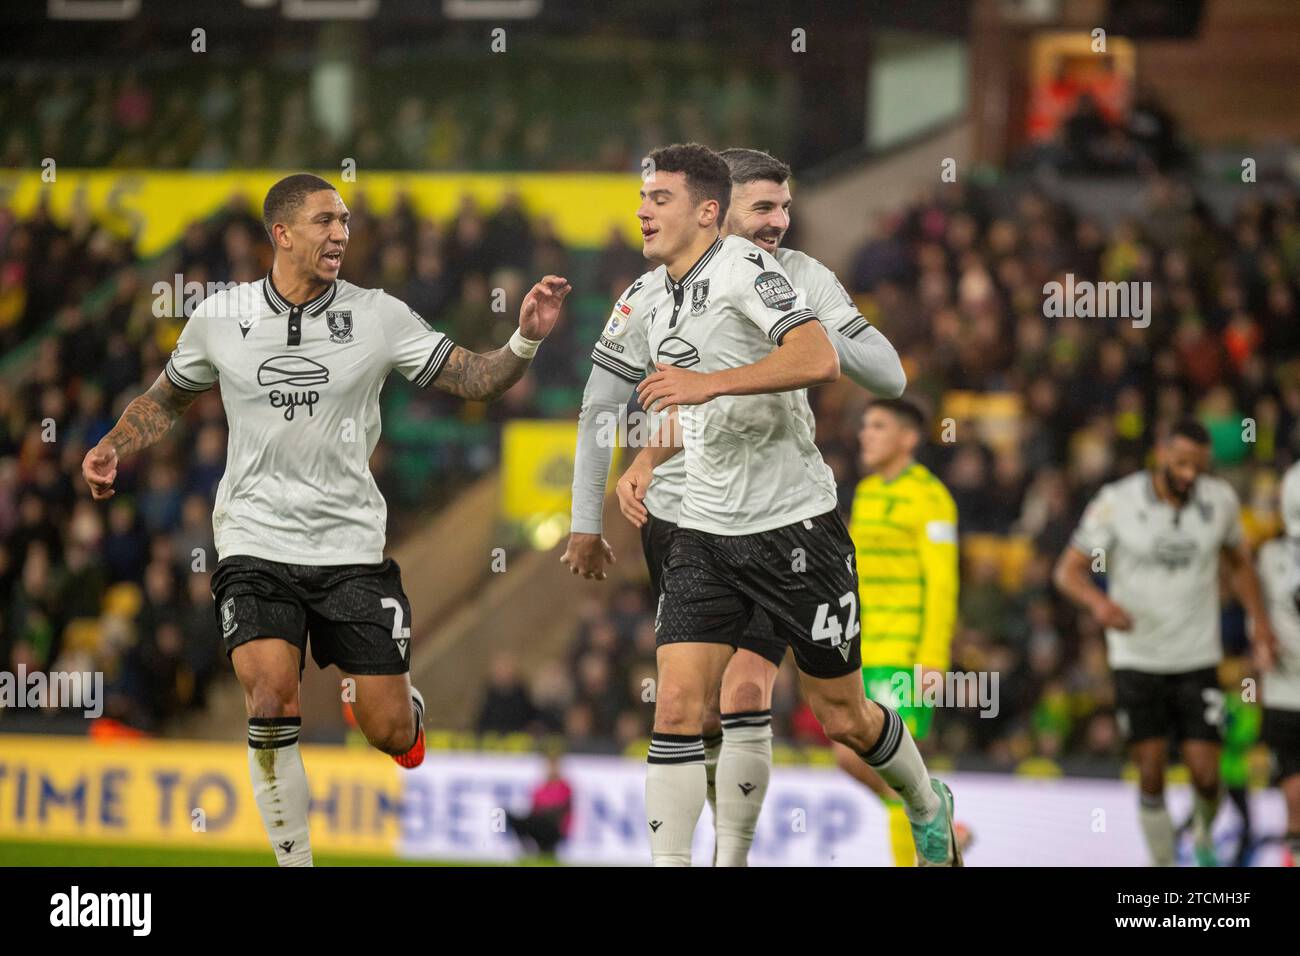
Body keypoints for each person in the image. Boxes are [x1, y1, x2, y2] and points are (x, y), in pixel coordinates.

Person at [81, 173, 570, 866]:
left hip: (349, 548)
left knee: (386, 729)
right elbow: (165, 398)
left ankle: (406, 716)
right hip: (252, 539)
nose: (340, 232)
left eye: (343, 220)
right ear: (280, 233)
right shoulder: (220, 318)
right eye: (323, 221)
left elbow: (473, 378)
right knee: (271, 696)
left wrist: (522, 340)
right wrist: (112, 445)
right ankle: (295, 860)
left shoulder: (379, 316)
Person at [602, 142, 959, 866]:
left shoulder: (800, 277)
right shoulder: (668, 286)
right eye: (764, 207)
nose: (780, 222)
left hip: (792, 525)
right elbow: (681, 399)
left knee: (840, 715)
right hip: (698, 524)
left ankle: (926, 802)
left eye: (785, 207)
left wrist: (802, 324)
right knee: (687, 705)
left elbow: (864, 369)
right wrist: (643, 460)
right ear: (715, 209)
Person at [1053, 419, 1277, 866]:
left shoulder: (1220, 502)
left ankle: (1201, 832)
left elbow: (1240, 564)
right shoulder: (1116, 502)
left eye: (1199, 467)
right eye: (1180, 464)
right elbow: (1067, 571)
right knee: (1152, 771)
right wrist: (1099, 605)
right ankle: (1163, 864)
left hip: (1196, 656)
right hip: (1137, 657)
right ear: (1160, 453)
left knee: (1208, 777)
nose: (1190, 475)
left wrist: (1260, 624)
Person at [838, 398, 968, 866]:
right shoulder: (869, 493)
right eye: (864, 425)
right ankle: (938, 822)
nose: (864, 434)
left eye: (878, 426)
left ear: (908, 438)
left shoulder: (930, 498)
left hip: (906, 656)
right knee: (883, 773)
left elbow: (943, 582)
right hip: (863, 654)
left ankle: (930, 827)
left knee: (881, 767)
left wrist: (932, 657)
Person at [1257, 460, 1300, 865]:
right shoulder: (1269, 558)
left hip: (1283, 695)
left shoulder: (1269, 556)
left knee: (1295, 802)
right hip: (1286, 693)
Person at [505, 751, 574, 860]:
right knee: (511, 817)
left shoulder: (565, 788)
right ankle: (527, 848)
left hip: (555, 829)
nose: (551, 769)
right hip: (539, 824)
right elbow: (534, 810)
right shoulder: (540, 788)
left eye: (554, 766)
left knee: (543, 821)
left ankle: (545, 848)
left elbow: (561, 811)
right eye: (549, 766)